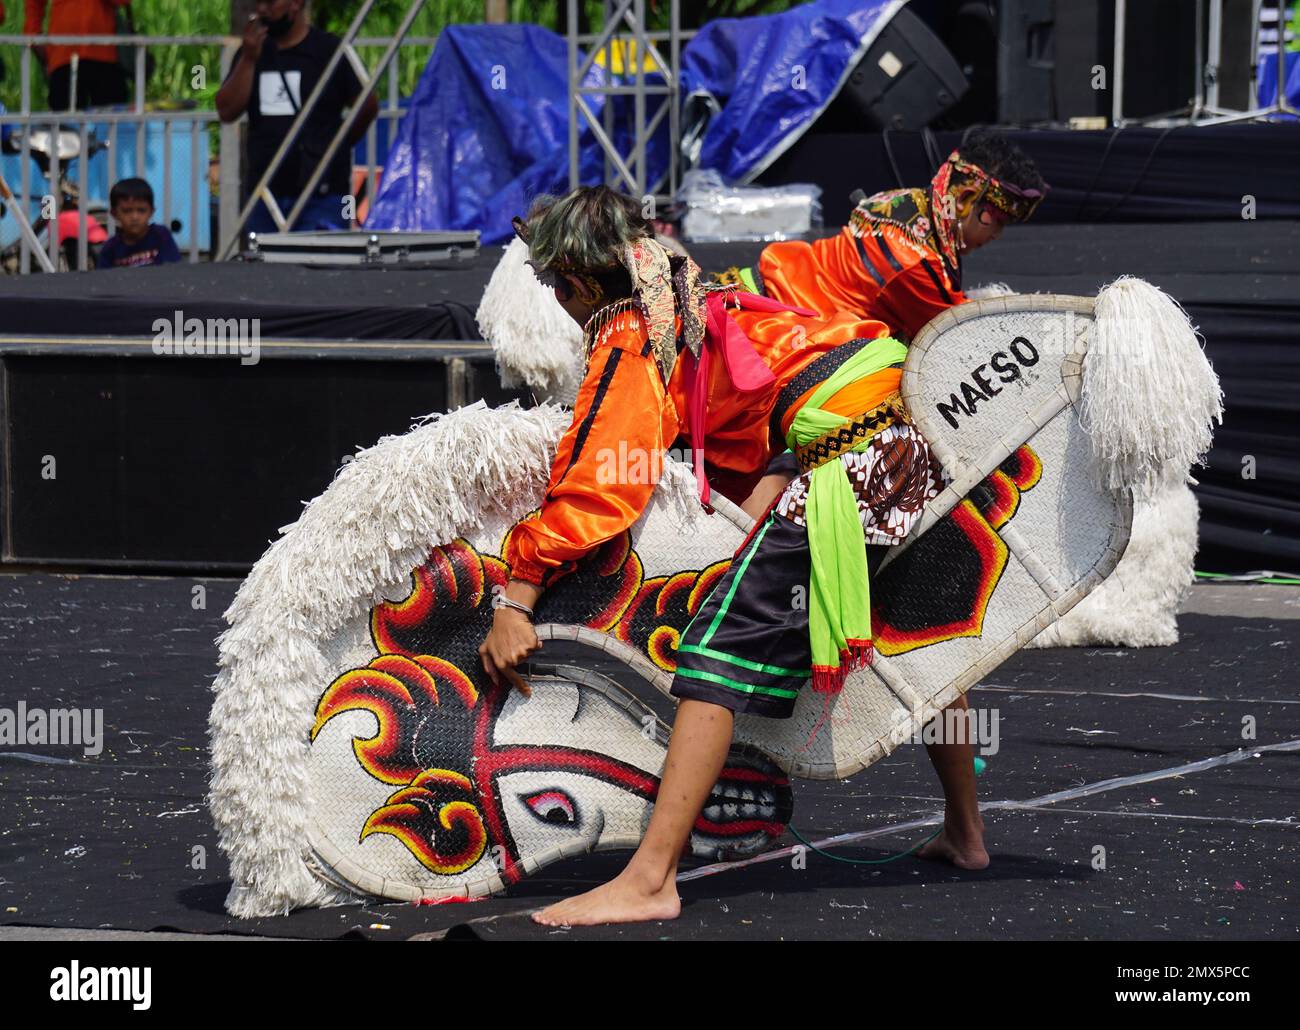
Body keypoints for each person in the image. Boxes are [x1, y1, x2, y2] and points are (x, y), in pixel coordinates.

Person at [475, 187, 963, 927]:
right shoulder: (694, 287)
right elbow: (781, 386)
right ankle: (969, 833)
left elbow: (606, 479)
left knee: (713, 653)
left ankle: (649, 880)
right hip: (900, 430)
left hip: (854, 456)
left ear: (575, 284)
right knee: (909, 640)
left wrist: (519, 594)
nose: (557, 303)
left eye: (552, 287)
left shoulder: (631, 332)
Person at [719, 129, 1048, 340]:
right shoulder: (915, 261)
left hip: (765, 297)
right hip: (771, 332)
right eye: (997, 220)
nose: (998, 235)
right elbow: (960, 337)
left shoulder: (902, 200)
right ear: (963, 200)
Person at [215, 0, 379, 234]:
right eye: (259, 3)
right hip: (266, 193)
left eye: (271, 3)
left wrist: (340, 143)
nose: (263, 10)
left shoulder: (329, 50)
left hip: (323, 193)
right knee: (266, 267)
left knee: (321, 264)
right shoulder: (251, 52)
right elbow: (227, 110)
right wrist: (249, 59)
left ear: (296, 3)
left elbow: (368, 105)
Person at [25, 0, 131, 111]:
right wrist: (33, 33)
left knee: (110, 121)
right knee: (64, 122)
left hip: (105, 55)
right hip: (64, 54)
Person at [96, 177, 180, 268]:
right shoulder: (110, 248)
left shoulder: (161, 235)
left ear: (151, 212)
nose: (134, 217)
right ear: (114, 214)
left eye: (141, 210)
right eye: (127, 211)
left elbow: (173, 271)